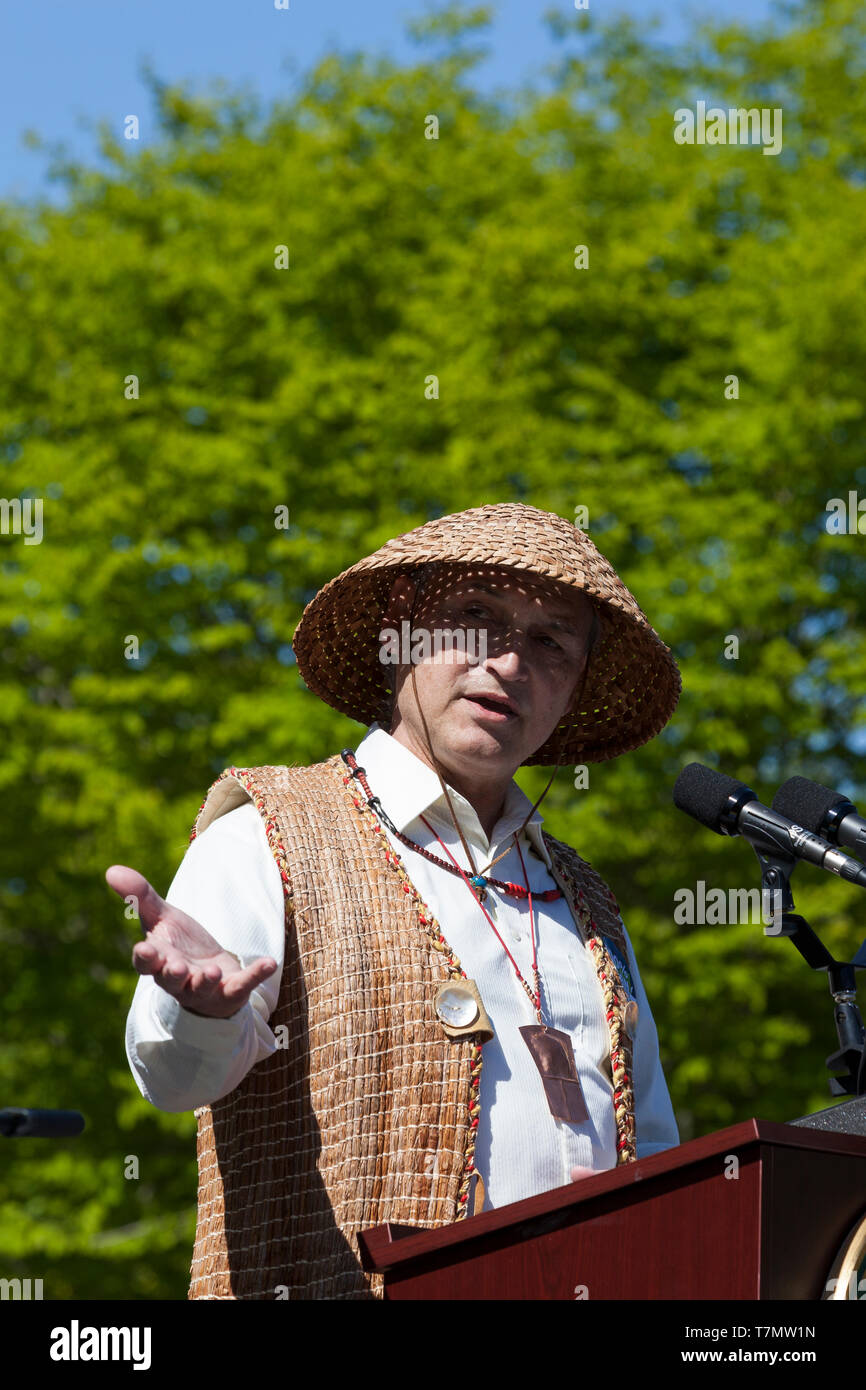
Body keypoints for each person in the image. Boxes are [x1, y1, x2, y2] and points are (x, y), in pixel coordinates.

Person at [109, 501, 682, 1299]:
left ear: (574, 690)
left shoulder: (588, 904)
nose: (509, 664)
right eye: (476, 617)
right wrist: (202, 1013)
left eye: (550, 641)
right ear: (397, 642)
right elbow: (172, 1081)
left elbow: (655, 1156)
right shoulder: (266, 833)